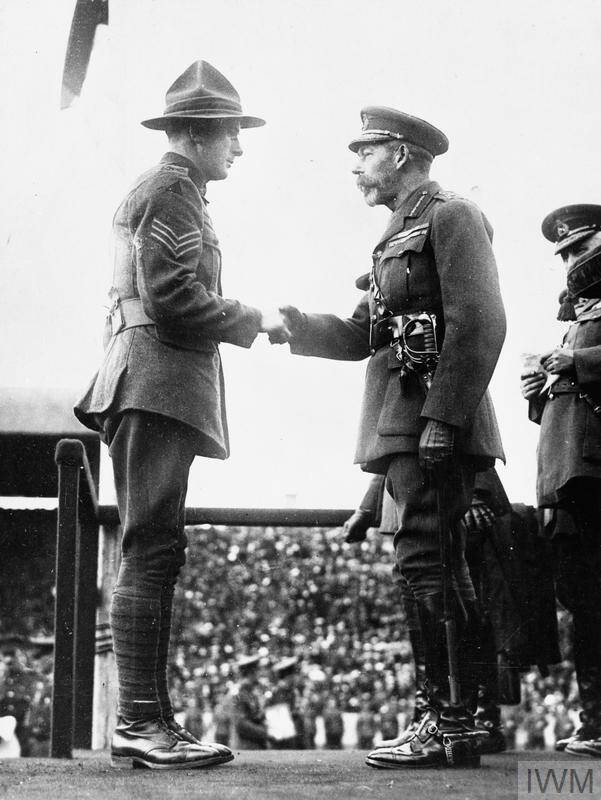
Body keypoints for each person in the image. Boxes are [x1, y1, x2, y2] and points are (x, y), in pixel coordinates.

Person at [74, 60, 289, 770]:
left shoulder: (174, 189)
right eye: (230, 134)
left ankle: (149, 720)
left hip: (154, 383)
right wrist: (251, 317)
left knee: (156, 547)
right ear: (196, 135)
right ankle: (139, 722)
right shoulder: (171, 190)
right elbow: (170, 299)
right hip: (156, 383)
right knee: (150, 547)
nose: (238, 147)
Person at [279, 106, 506, 768]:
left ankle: (446, 721)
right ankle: (454, 719)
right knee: (431, 565)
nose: (354, 167)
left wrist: (442, 417)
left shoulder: (449, 216)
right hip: (404, 424)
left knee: (428, 565)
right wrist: (295, 326)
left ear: (401, 154)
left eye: (364, 152)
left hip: (428, 422)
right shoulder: (395, 233)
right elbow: (361, 334)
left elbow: (480, 319)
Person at [344, 470, 510, 755]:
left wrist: (478, 492)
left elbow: (449, 432)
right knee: (423, 606)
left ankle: (472, 719)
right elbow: (393, 452)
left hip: (444, 500)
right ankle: (429, 719)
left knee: (458, 602)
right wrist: (367, 507)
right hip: (413, 504)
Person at [520, 204, 601, 758]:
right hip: (571, 478)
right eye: (567, 253)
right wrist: (539, 391)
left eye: (582, 246)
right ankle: (594, 721)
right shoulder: (578, 315)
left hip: (594, 475)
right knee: (584, 601)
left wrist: (577, 362)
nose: (573, 260)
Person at [230, 655, 271, 750]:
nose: (260, 674)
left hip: (256, 744)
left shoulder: (251, 692)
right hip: (247, 746)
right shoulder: (240, 693)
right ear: (251, 673)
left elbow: (256, 715)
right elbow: (241, 723)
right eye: (257, 671)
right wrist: (265, 732)